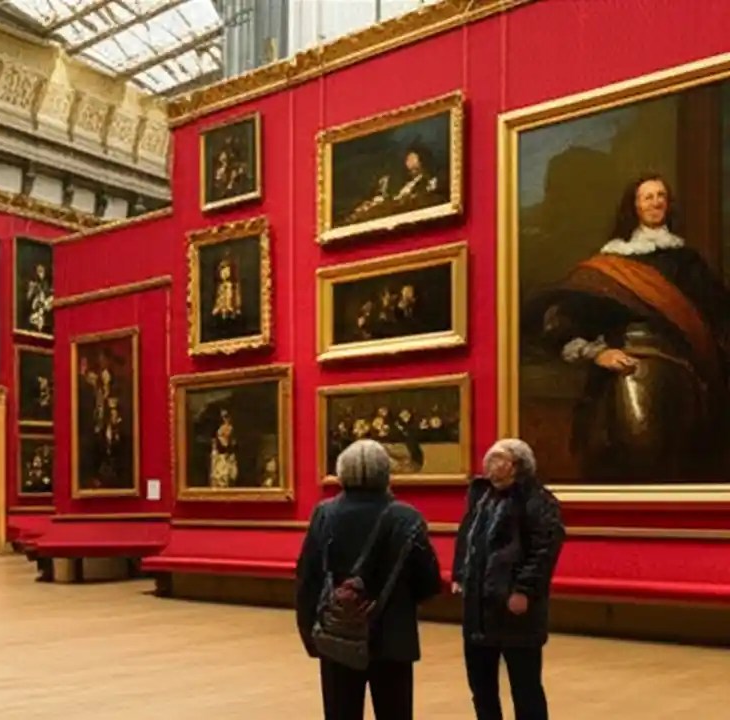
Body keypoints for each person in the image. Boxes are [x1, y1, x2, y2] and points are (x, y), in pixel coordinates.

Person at [525, 174, 730, 482]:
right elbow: (561, 318)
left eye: (661, 196)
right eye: (648, 197)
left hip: (686, 368)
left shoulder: (687, 261)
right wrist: (598, 353)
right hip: (629, 365)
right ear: (633, 206)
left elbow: (718, 314)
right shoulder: (609, 266)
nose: (656, 202)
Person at [296, 439, 442, 720]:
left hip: (337, 631)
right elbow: (429, 582)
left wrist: (309, 633)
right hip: (393, 637)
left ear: (341, 472)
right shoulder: (406, 517)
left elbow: (307, 579)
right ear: (386, 473)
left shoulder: (324, 514)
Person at [453, 438, 565, 720]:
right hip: (478, 609)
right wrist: (459, 574)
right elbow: (466, 540)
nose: (491, 466)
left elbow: (544, 550)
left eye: (499, 460)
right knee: (482, 687)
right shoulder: (480, 497)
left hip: (516, 612)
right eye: (489, 459)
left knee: (525, 687)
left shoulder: (537, 501)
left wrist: (524, 590)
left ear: (517, 465)